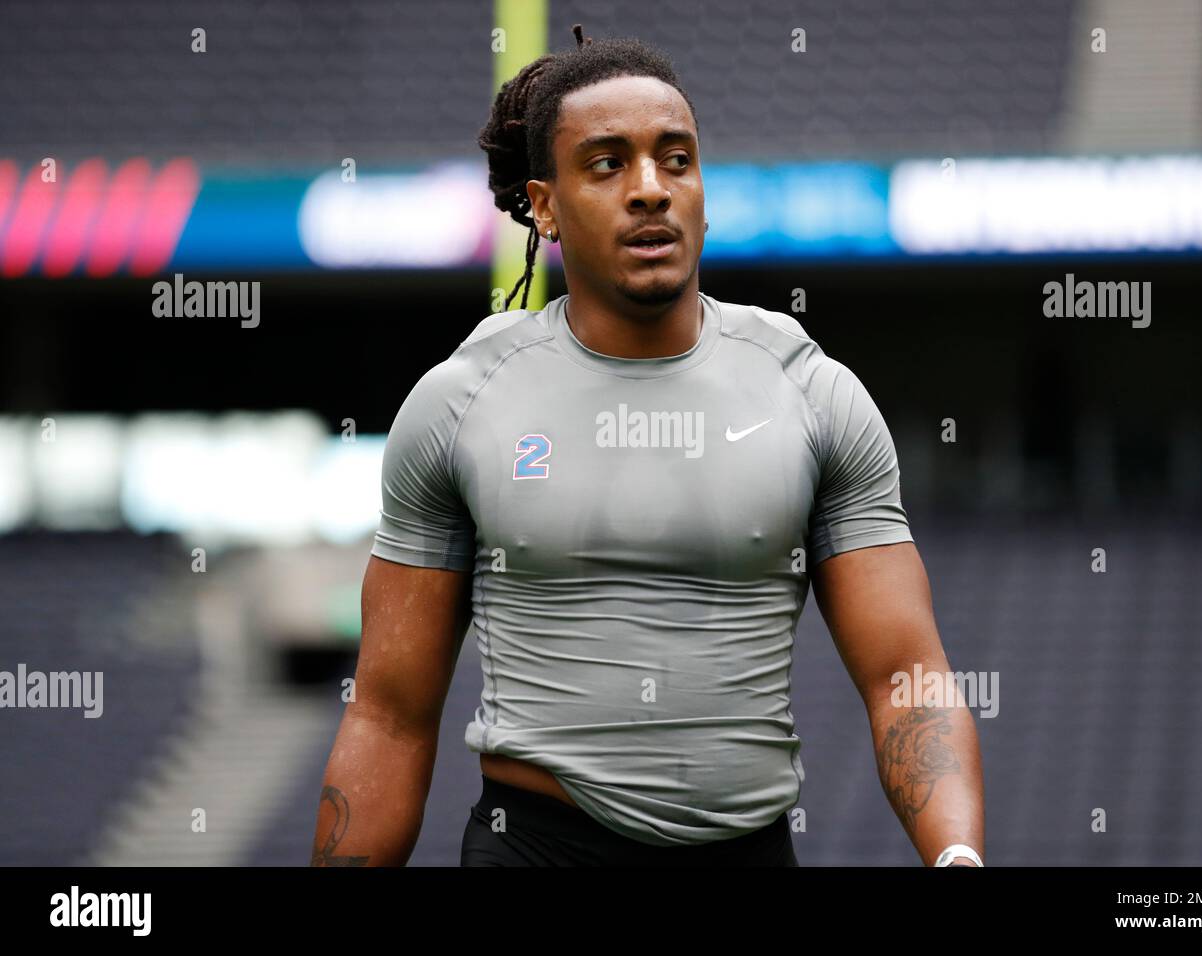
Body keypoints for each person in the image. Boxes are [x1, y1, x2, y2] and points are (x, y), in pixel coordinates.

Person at [311, 25, 984, 868]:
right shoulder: (461, 401)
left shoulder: (812, 393)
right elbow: (387, 715)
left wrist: (957, 857)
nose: (650, 190)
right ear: (545, 204)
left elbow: (905, 678)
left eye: (676, 159)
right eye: (607, 164)